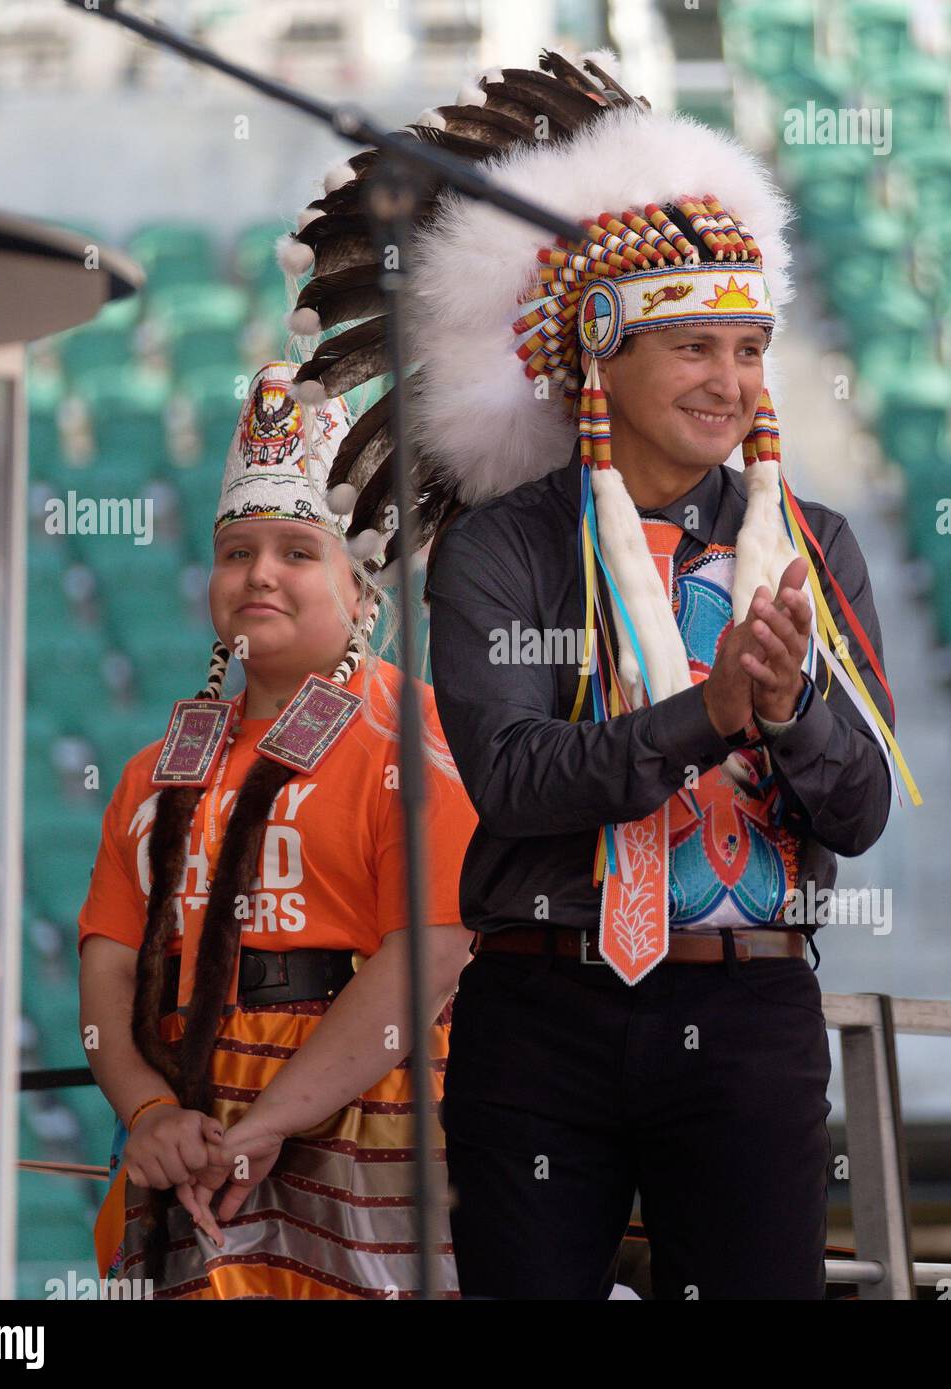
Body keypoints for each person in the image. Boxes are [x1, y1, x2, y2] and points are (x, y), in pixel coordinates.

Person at [388, 51, 920, 1298]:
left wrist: (787, 715)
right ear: (598, 356)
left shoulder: (812, 544)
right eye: (692, 348)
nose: (729, 385)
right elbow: (514, 782)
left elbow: (861, 808)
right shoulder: (498, 549)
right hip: (541, 1014)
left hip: (748, 1020)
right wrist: (711, 711)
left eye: (747, 350)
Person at [77, 360, 479, 1298]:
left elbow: (432, 950)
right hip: (188, 1139)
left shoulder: (415, 734)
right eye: (235, 551)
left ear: (359, 583)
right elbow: (108, 974)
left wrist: (268, 1122)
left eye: (298, 550)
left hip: (370, 1136)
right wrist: (149, 1111)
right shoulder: (152, 769)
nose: (259, 572)